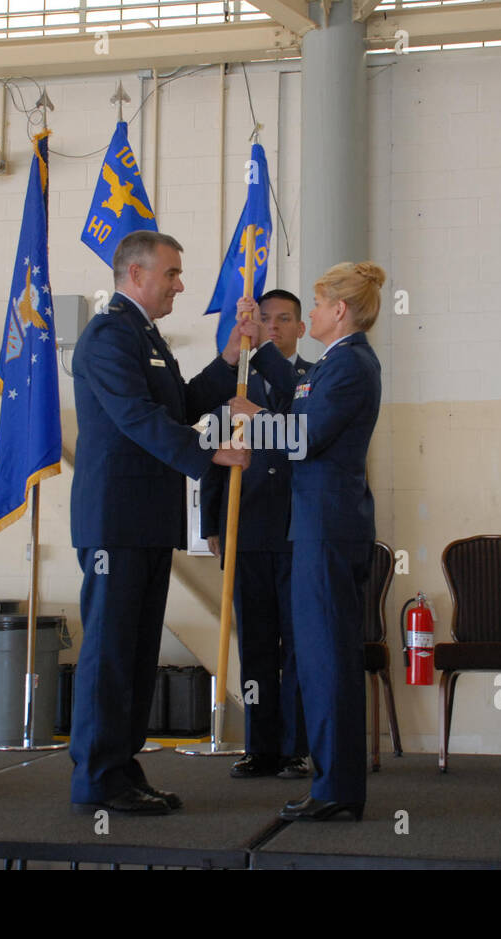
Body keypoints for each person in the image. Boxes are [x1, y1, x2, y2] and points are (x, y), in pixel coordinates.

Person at [69, 230, 251, 816]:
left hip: (146, 521)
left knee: (137, 651)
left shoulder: (143, 335)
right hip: (115, 523)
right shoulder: (106, 336)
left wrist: (226, 365)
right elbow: (135, 416)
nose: (180, 284)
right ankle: (97, 776)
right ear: (135, 275)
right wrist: (208, 456)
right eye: (171, 273)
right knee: (111, 652)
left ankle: (120, 767)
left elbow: (178, 403)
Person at [232, 261, 385, 821]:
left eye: (316, 306)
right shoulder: (338, 363)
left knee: (327, 661)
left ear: (338, 310)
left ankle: (336, 789)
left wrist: (253, 418)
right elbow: (300, 397)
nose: (310, 315)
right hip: (321, 526)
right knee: (324, 659)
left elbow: (304, 435)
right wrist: (261, 345)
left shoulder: (348, 367)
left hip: (328, 529)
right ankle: (334, 783)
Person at [200, 290, 312, 780]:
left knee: (299, 645)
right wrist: (212, 522)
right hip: (245, 529)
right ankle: (260, 745)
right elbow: (213, 453)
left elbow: (308, 441)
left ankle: (296, 747)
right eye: (264, 319)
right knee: (256, 645)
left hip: (296, 530)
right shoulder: (236, 380)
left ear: (300, 328)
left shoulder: (311, 380)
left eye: (284, 320)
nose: (272, 327)